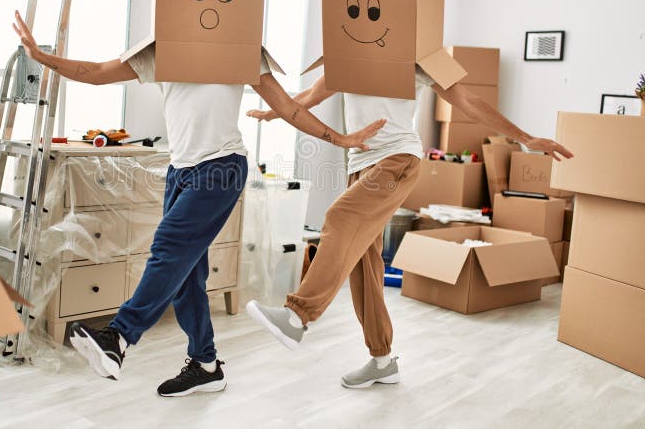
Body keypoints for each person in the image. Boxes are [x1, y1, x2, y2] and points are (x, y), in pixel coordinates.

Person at [12, 11, 385, 397]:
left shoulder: (240, 48)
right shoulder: (160, 48)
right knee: (186, 276)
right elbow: (97, 72)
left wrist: (339, 139)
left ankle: (119, 337)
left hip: (222, 168)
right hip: (181, 171)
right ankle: (206, 364)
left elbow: (289, 108)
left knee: (168, 247)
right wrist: (42, 58)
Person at [244, 69, 573, 389]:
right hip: (360, 165)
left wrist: (526, 138)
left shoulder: (414, 57)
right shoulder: (346, 53)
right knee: (364, 263)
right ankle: (383, 360)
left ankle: (297, 316)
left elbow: (468, 101)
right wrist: (272, 114)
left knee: (339, 218)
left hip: (397, 159)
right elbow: (310, 96)